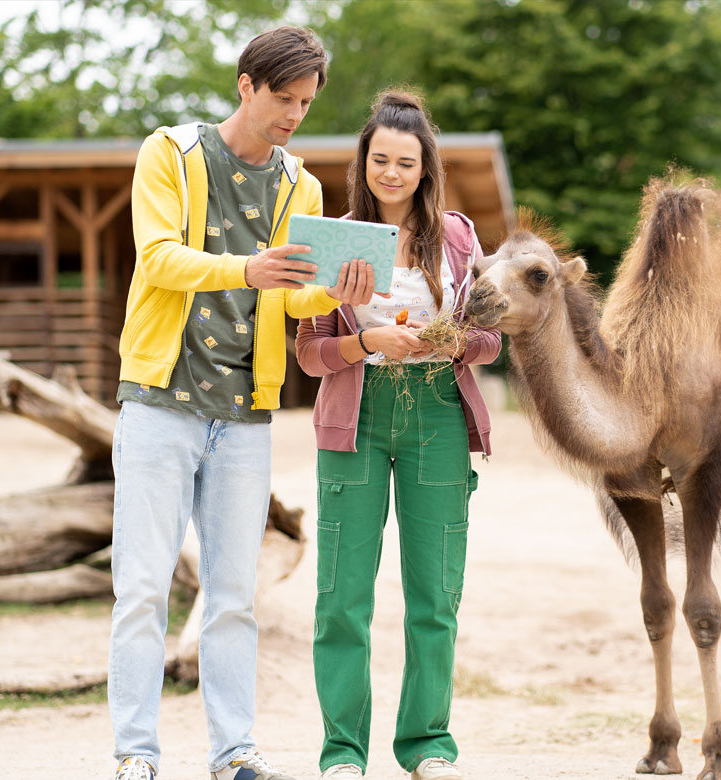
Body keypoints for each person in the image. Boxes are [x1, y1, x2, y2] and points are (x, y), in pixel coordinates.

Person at [108, 26, 375, 780]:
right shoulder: (169, 153)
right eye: (284, 99)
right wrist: (248, 269)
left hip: (245, 414)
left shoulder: (303, 185)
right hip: (160, 400)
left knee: (233, 595)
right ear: (245, 84)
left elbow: (294, 297)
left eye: (305, 103)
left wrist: (339, 293)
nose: (294, 115)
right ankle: (136, 752)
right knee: (141, 586)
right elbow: (157, 258)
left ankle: (234, 753)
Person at [295, 90, 501, 780]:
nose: (391, 172)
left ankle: (427, 746)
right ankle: (343, 754)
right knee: (342, 595)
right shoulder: (339, 237)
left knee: (435, 593)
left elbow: (493, 337)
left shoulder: (459, 239)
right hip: (354, 418)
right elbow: (310, 356)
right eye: (379, 159)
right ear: (365, 162)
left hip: (438, 412)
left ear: (424, 167)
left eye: (404, 162)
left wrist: (452, 346)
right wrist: (367, 343)